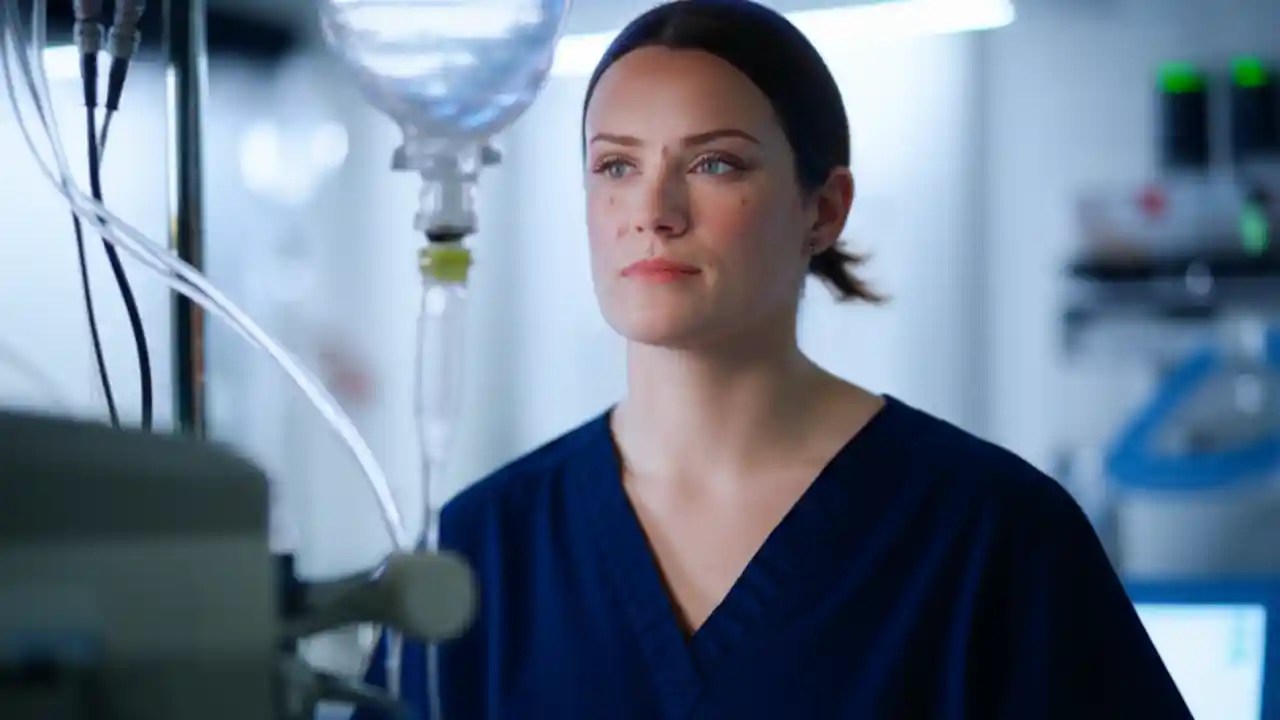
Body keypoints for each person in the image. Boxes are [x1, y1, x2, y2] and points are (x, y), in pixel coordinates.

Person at [361, 1, 1192, 718]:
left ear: (823, 209)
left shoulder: (992, 537)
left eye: (713, 163)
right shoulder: (477, 554)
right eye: (616, 165)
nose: (653, 211)